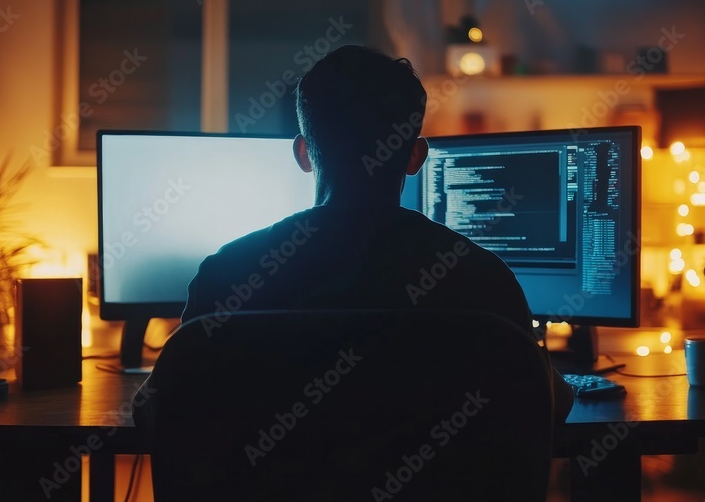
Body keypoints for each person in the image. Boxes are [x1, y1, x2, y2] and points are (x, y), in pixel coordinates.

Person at [134, 45, 573, 427]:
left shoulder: (228, 275)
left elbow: (156, 410)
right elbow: (548, 405)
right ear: (416, 156)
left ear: (303, 154)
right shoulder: (482, 279)